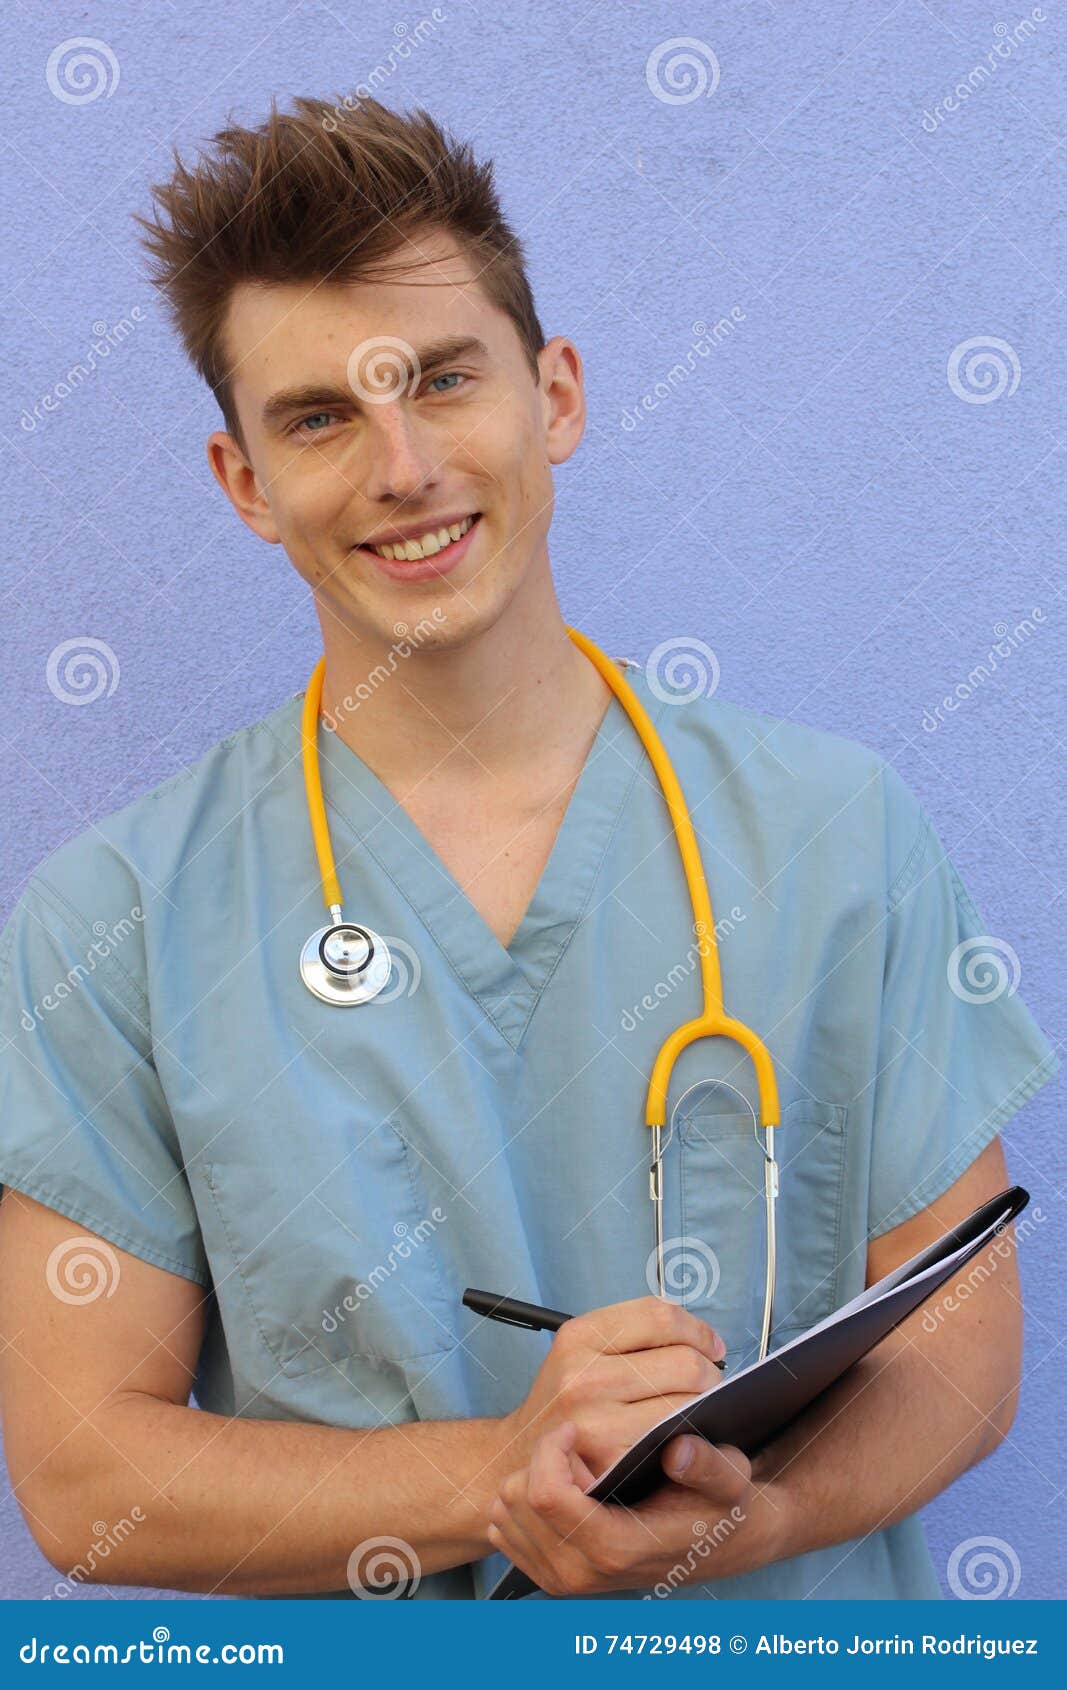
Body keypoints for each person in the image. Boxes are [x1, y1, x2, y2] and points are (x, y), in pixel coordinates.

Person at [0, 95, 1058, 1603]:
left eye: (444, 381)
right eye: (320, 418)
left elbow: (963, 1349)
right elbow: (84, 1471)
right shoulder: (113, 921)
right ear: (245, 484)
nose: (404, 466)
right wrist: (500, 1471)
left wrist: (752, 1520)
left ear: (552, 396)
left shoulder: (834, 833)